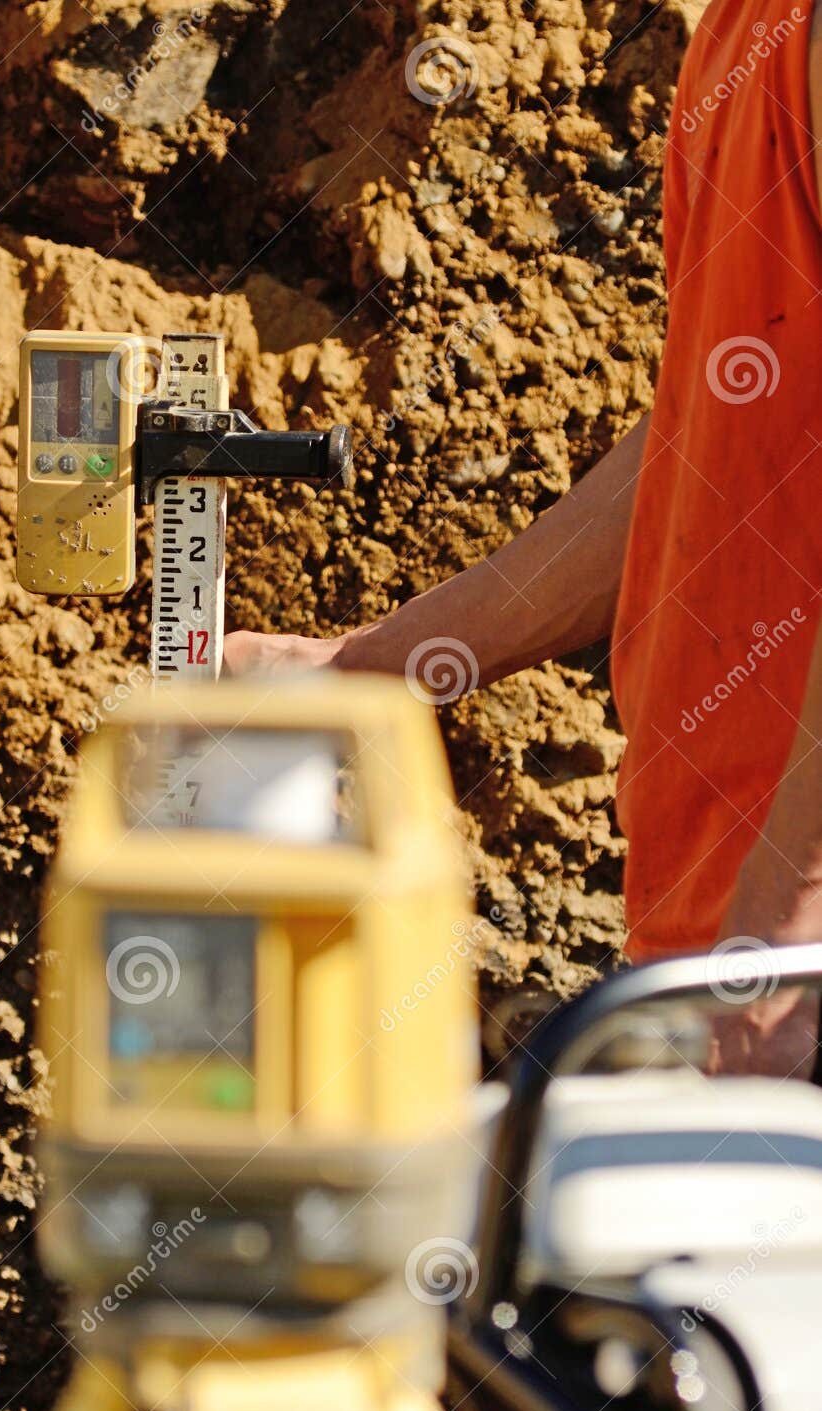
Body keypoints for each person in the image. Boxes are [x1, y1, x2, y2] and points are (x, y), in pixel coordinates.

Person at [225, 0, 822, 1081]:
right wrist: (369, 668)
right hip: (726, 930)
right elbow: (715, 433)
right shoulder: (752, 29)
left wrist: (790, 923)